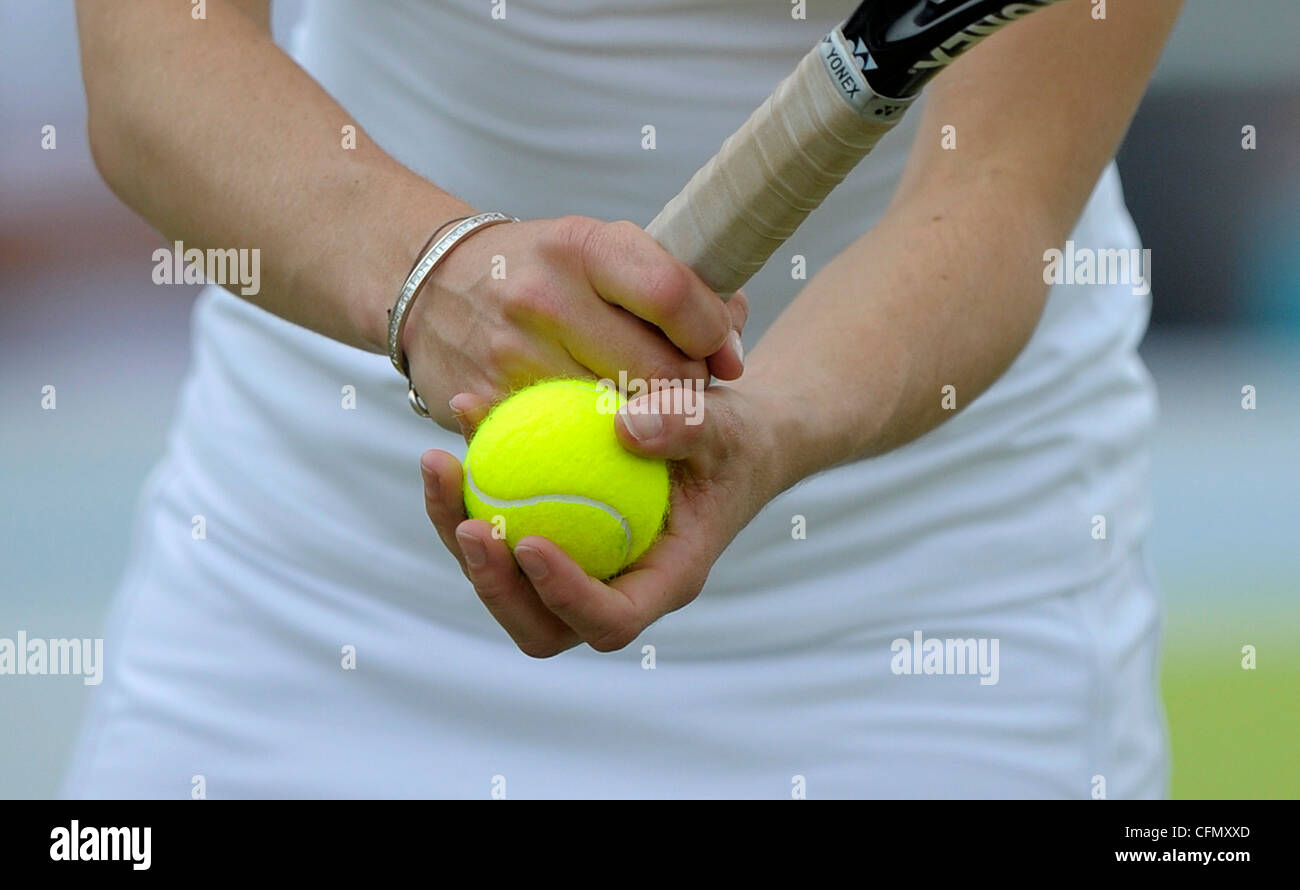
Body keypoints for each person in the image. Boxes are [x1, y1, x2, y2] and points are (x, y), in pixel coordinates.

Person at [65, 0, 1183, 798]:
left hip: (920, 630)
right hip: (305, 589)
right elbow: (152, 55)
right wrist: (431, 274)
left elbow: (999, 188)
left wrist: (765, 425)